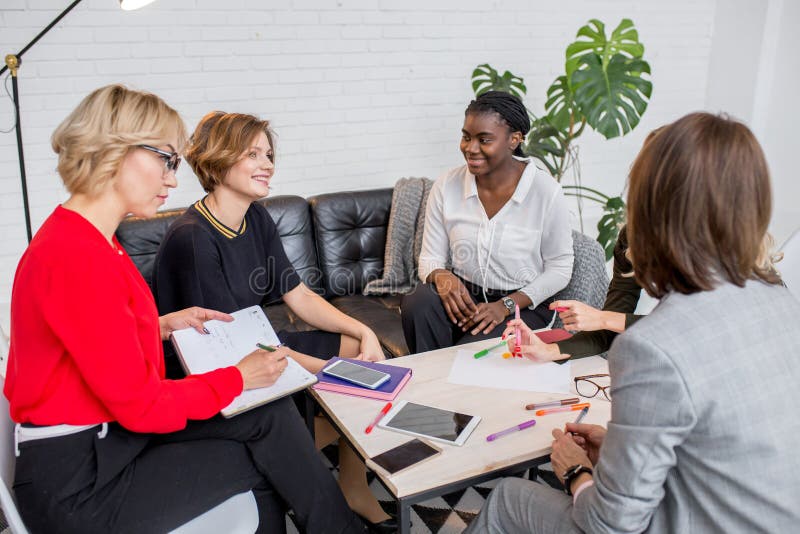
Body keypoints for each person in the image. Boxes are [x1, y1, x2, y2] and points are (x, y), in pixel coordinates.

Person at [3, 85, 362, 534]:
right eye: (166, 159)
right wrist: (239, 377)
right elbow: (143, 407)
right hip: (82, 485)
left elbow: (89, 342)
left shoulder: (89, 241)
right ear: (115, 151)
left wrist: (157, 326)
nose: (174, 179)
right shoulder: (77, 257)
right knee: (268, 446)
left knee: (268, 423)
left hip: (104, 444)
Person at [465, 112, 800, 533]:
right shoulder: (781, 302)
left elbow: (610, 525)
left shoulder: (654, 348)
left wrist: (574, 472)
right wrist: (617, 446)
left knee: (510, 497)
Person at [152, 111, 394, 531]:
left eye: (268, 154)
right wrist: (336, 370)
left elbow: (297, 294)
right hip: (216, 367)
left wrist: (362, 330)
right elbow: (230, 352)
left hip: (255, 342)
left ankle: (353, 486)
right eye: (253, 154)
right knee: (355, 372)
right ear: (218, 159)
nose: (267, 164)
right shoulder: (192, 238)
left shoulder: (256, 217)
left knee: (362, 352)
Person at [401, 91, 574, 353]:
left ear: (514, 140)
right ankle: (428, 383)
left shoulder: (546, 192)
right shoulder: (447, 184)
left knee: (471, 355)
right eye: (466, 137)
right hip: (465, 298)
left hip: (522, 306)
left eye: (484, 139)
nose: (470, 148)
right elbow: (429, 258)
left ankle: (448, 385)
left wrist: (505, 306)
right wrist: (441, 275)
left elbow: (560, 268)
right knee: (420, 301)